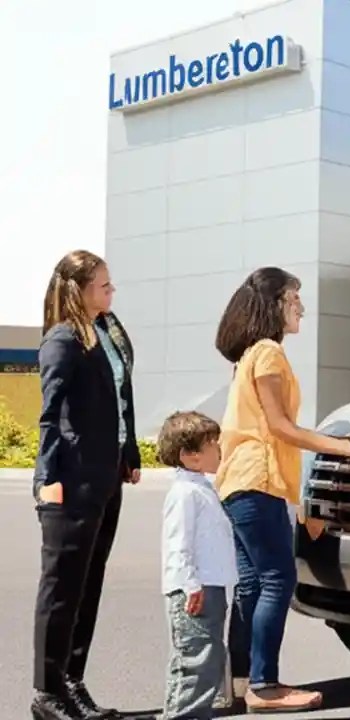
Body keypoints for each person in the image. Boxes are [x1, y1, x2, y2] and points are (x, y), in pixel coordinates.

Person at [213, 267, 350, 713]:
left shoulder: (248, 354)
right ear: (274, 304)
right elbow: (281, 427)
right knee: (277, 579)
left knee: (252, 586)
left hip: (238, 482)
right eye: (293, 298)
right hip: (258, 480)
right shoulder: (268, 353)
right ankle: (266, 687)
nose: (301, 307)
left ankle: (242, 683)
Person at [32, 250, 146, 720]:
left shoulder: (106, 331)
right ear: (78, 290)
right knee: (61, 589)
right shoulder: (62, 339)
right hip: (71, 479)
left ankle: (72, 683)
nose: (111, 291)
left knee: (87, 585)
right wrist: (47, 478)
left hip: (105, 474)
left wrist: (129, 452)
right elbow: (49, 415)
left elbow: (122, 396)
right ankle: (47, 693)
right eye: (103, 285)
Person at [156, 411, 237, 720]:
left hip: (210, 586)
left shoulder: (201, 486)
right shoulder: (185, 493)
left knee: (208, 657)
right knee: (195, 659)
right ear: (190, 456)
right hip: (194, 591)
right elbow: (179, 543)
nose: (220, 449)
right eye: (212, 444)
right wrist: (190, 584)